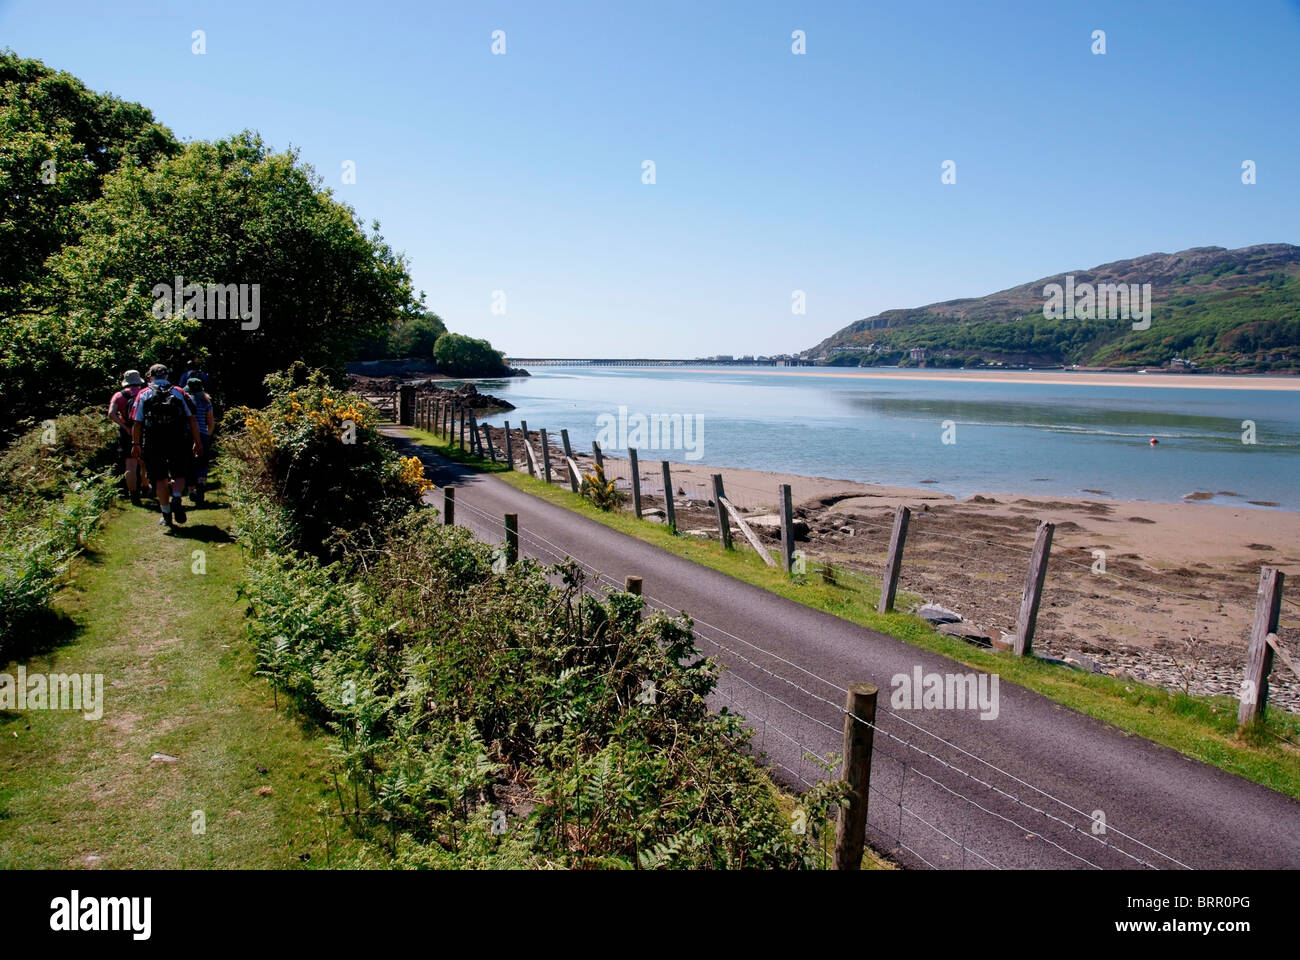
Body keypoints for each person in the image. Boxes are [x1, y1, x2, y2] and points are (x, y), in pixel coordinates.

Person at [131, 364, 203, 529]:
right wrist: (197, 441)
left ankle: (166, 515)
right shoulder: (178, 392)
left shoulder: (143, 394)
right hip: (178, 438)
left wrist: (135, 444)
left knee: (159, 478)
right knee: (179, 472)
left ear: (150, 377)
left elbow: (137, 422)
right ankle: (177, 495)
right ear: (167, 376)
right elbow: (191, 418)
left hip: (153, 441)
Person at [108, 370, 147, 506]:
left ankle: (133, 494)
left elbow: (111, 413)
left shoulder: (119, 395)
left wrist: (125, 427)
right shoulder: (144, 393)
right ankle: (145, 486)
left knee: (130, 465)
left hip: (126, 432)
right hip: (143, 430)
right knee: (144, 461)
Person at [185, 377, 215, 505]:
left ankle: (191, 490)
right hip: (202, 434)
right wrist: (206, 436)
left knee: (188, 463)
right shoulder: (206, 401)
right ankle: (201, 483)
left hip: (187, 435)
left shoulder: (184, 401)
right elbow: (211, 423)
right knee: (202, 463)